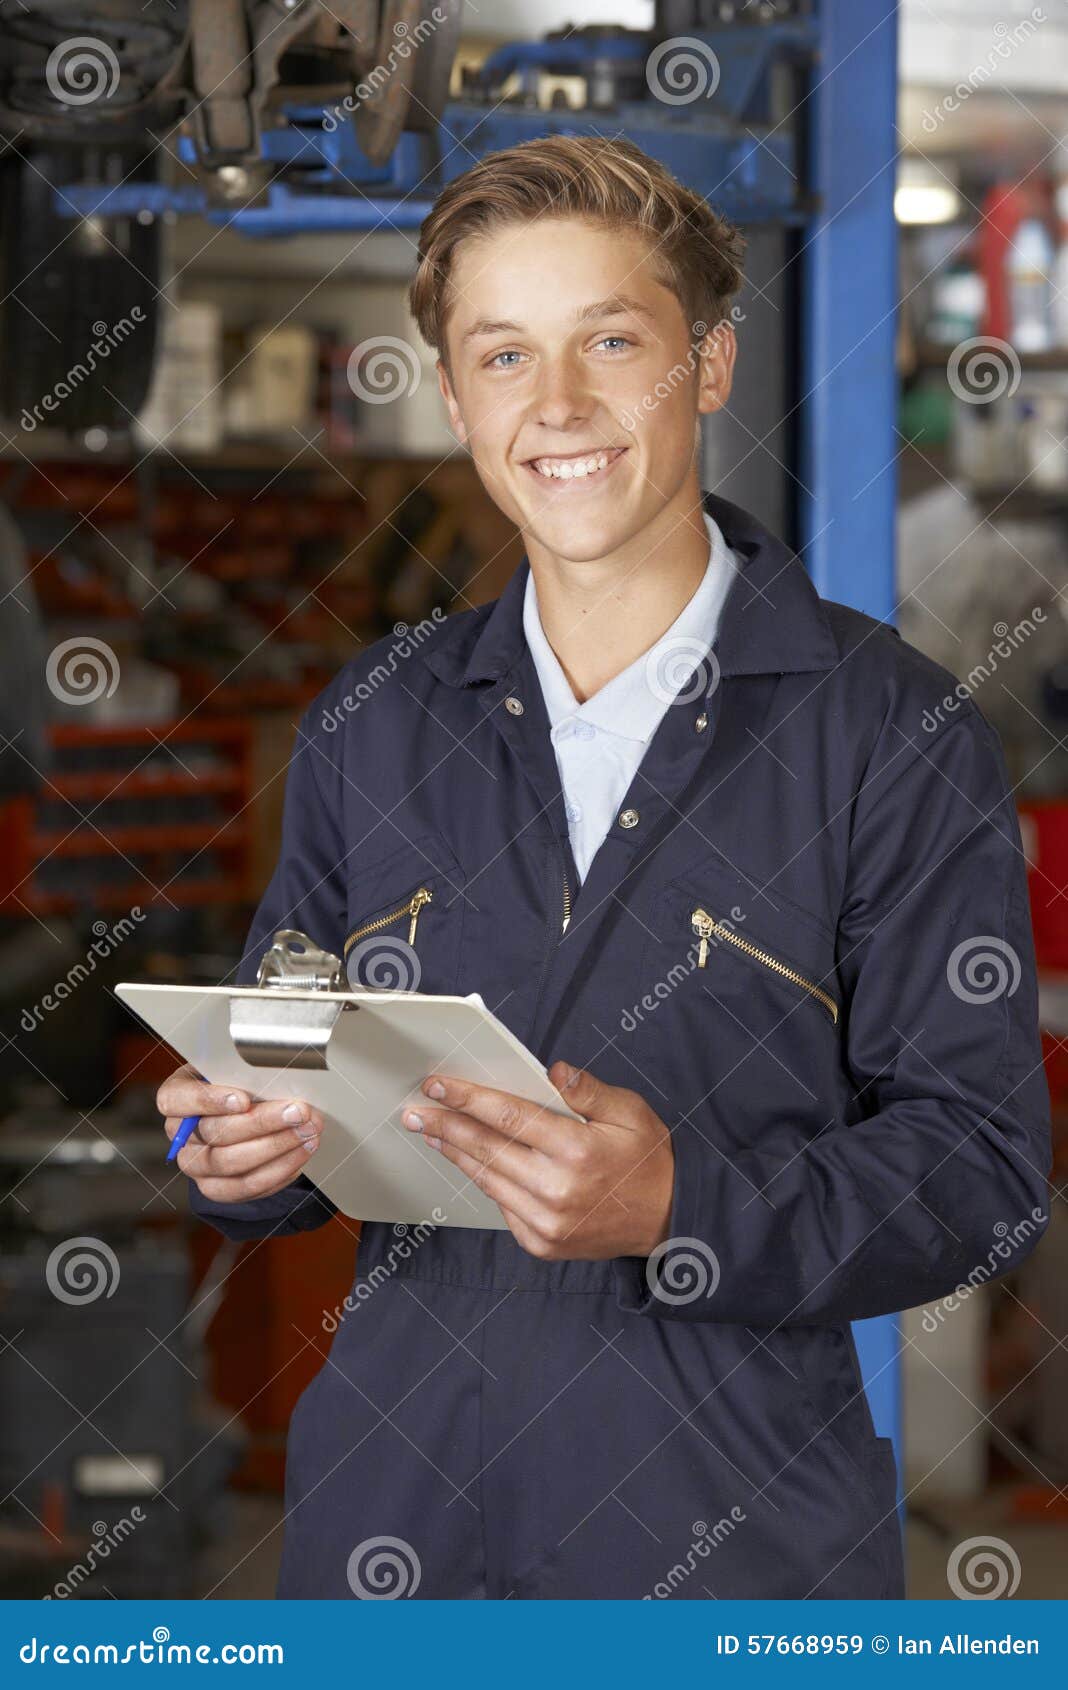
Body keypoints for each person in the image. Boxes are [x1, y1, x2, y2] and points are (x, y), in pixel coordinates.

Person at [158, 135, 1051, 1599]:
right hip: (396, 1536)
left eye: (612, 341)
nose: (557, 404)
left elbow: (983, 1171)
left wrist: (684, 1207)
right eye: (504, 354)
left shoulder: (886, 733)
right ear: (455, 398)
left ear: (709, 365)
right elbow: (285, 1073)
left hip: (732, 1553)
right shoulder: (375, 722)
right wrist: (238, 1154)